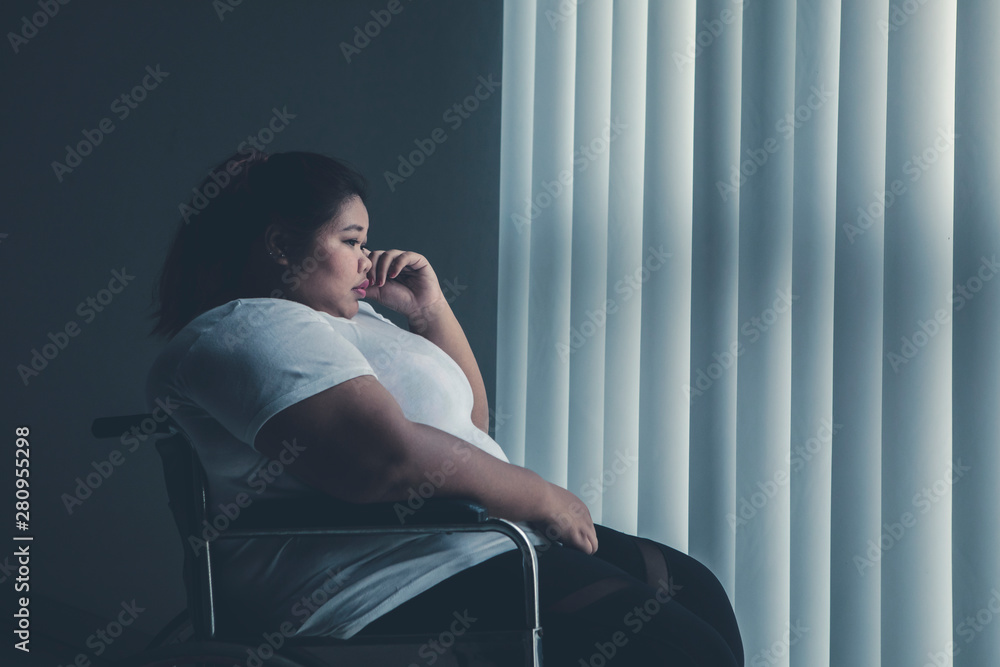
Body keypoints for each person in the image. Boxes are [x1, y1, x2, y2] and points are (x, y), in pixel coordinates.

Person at [147, 149, 744, 666]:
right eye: (350, 241)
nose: (366, 258)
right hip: (387, 579)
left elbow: (469, 427)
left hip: (471, 541)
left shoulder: (354, 321)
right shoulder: (248, 328)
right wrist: (541, 496)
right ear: (281, 245)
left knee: (692, 589)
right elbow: (386, 462)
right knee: (682, 650)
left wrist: (428, 312)